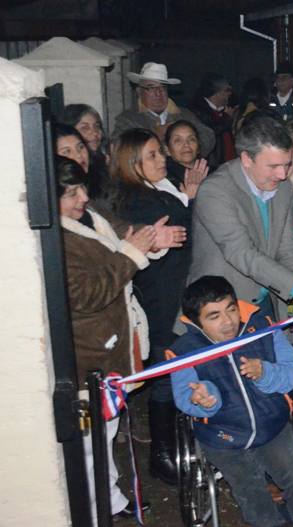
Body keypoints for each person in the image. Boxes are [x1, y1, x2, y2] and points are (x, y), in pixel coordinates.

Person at [57, 156, 184, 523]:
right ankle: (93, 509)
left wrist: (149, 240)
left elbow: (123, 233)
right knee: (89, 439)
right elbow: (87, 294)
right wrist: (133, 254)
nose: (82, 196)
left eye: (82, 187)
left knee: (107, 428)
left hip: (113, 343)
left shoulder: (87, 211)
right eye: (71, 193)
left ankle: (109, 497)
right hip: (89, 352)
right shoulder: (56, 237)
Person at [169, 275, 293, 527]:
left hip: (272, 425)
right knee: (251, 490)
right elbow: (185, 397)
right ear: (196, 322)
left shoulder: (264, 328)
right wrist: (205, 399)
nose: (227, 322)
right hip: (223, 436)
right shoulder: (183, 351)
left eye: (231, 310)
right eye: (214, 316)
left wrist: (266, 373)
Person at [186, 113, 293, 325]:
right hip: (219, 311)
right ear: (247, 158)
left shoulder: (282, 186)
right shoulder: (215, 190)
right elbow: (242, 253)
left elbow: (287, 249)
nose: (283, 175)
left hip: (264, 304)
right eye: (273, 166)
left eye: (286, 164)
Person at [110, 129, 197, 486]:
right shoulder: (139, 201)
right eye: (152, 155)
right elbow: (179, 232)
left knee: (174, 370)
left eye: (161, 152)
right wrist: (188, 202)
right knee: (165, 374)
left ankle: (175, 447)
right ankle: (162, 456)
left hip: (172, 293)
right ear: (133, 164)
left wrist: (187, 196)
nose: (162, 159)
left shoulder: (160, 189)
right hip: (161, 298)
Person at [113, 62, 216, 158]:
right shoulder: (128, 119)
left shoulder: (184, 114)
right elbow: (120, 150)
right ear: (139, 92)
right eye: (151, 88)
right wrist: (155, 137)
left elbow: (209, 135)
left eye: (162, 88)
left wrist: (189, 150)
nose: (158, 94)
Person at [55, 123, 111, 208]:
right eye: (67, 151)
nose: (78, 155)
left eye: (80, 147)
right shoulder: (61, 197)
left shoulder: (101, 179)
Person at [187, 73, 237, 170]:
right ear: (215, 93)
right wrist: (225, 119)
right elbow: (208, 134)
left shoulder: (225, 110)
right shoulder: (197, 111)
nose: (230, 93)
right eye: (227, 90)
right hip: (211, 168)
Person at [163, 120, 210, 197]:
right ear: (167, 150)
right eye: (178, 140)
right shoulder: (164, 179)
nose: (186, 145)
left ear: (198, 147)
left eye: (191, 139)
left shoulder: (213, 172)